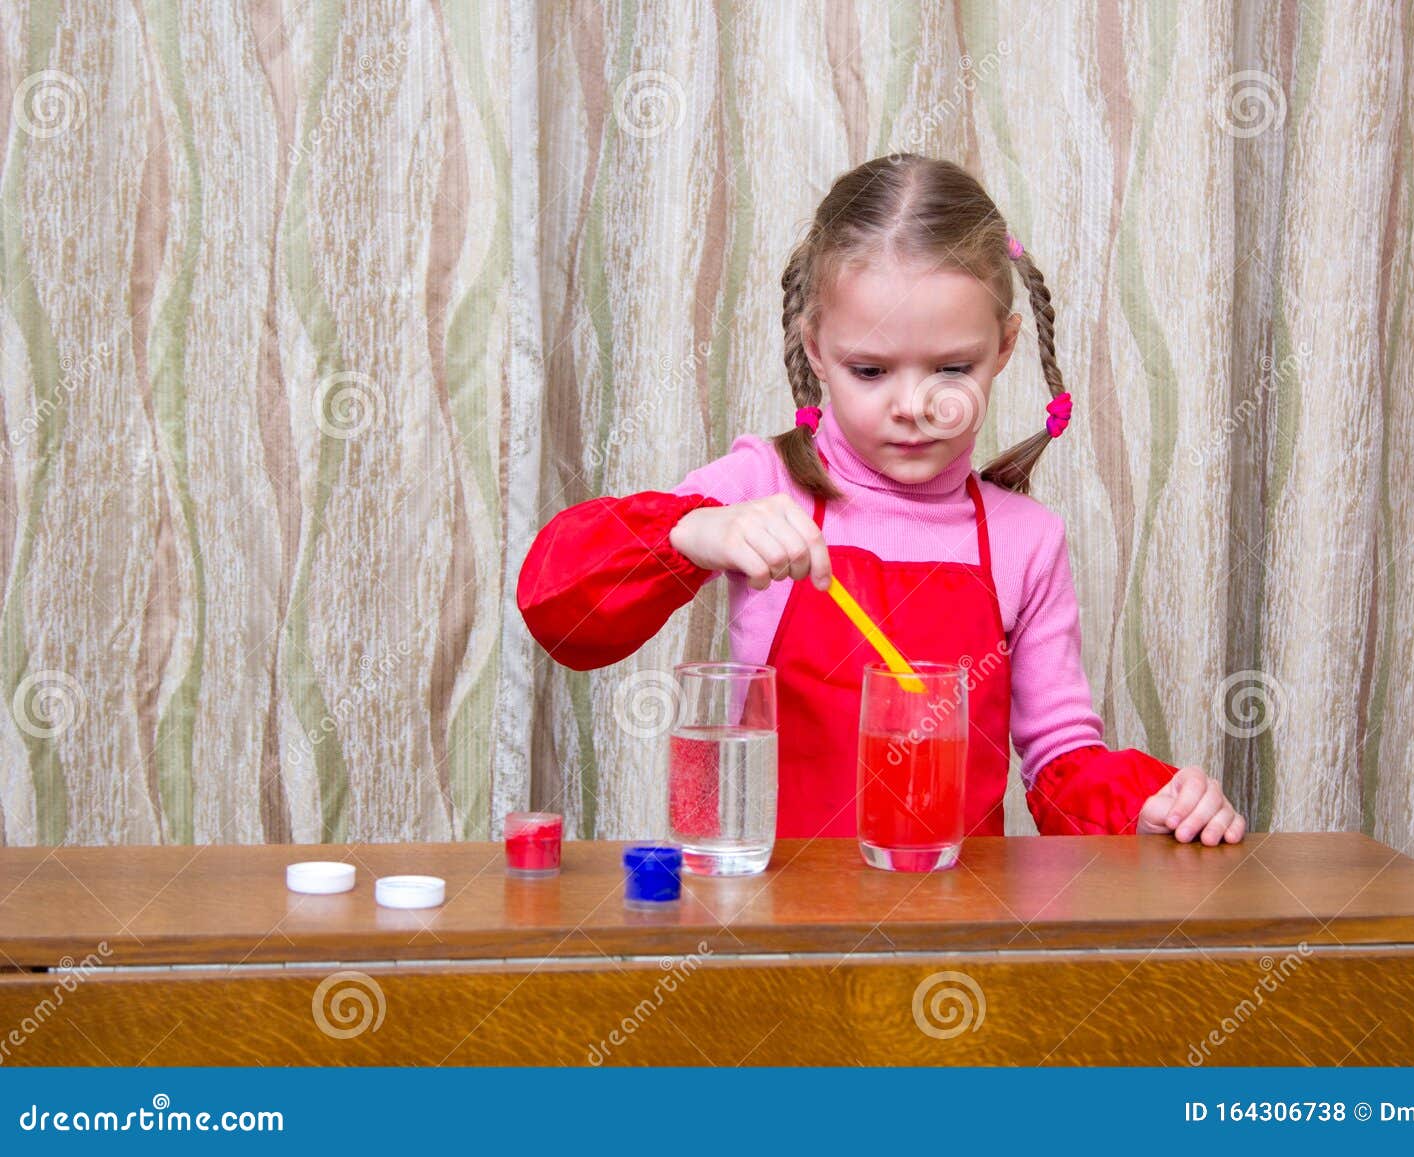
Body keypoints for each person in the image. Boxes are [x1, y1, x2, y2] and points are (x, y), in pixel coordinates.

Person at [519, 153, 1245, 846]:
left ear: (1004, 348)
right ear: (815, 350)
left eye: (951, 367)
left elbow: (1062, 765)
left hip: (954, 934)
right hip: (778, 929)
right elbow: (556, 608)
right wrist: (695, 531)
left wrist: (1147, 805)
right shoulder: (761, 487)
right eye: (869, 369)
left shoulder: (1027, 539)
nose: (912, 405)